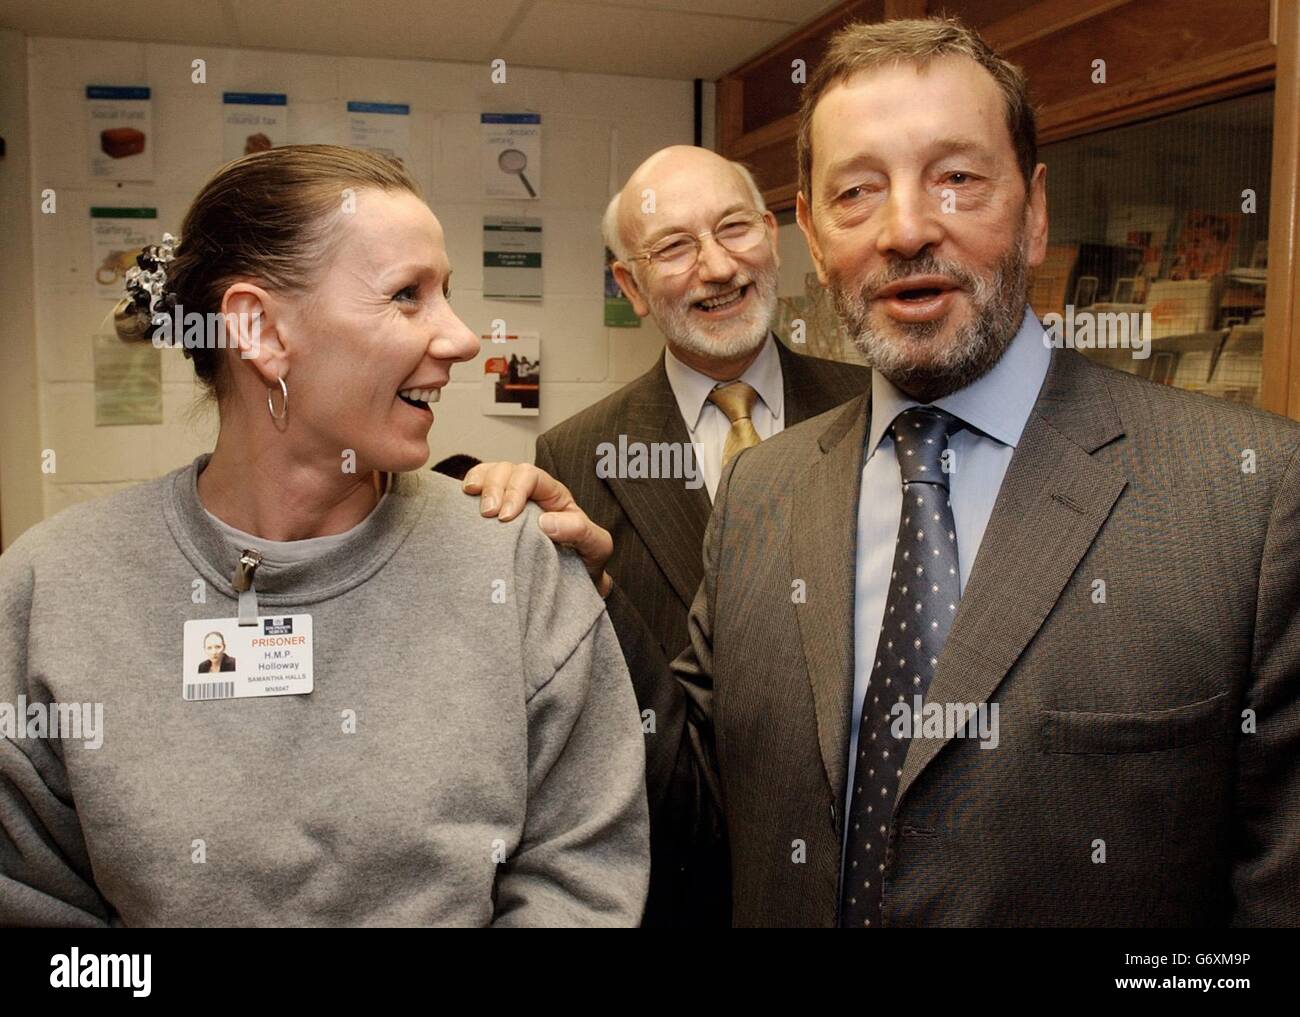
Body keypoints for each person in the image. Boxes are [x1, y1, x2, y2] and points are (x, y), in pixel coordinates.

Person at [468, 17, 1300, 927]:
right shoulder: (764, 492)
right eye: (857, 191)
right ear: (816, 241)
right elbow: (704, 804)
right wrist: (593, 603)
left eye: (957, 178)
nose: (907, 228)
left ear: (1035, 213)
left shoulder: (1247, 498)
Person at [0, 144, 648, 928]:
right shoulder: (56, 586)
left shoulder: (514, 564)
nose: (463, 339)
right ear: (260, 331)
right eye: (407, 295)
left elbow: (581, 871)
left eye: (446, 293)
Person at [469, 146, 869, 925]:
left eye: (734, 229)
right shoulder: (578, 454)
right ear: (632, 285)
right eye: (676, 247)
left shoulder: (876, 408)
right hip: (681, 883)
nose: (717, 267)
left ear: (773, 235)